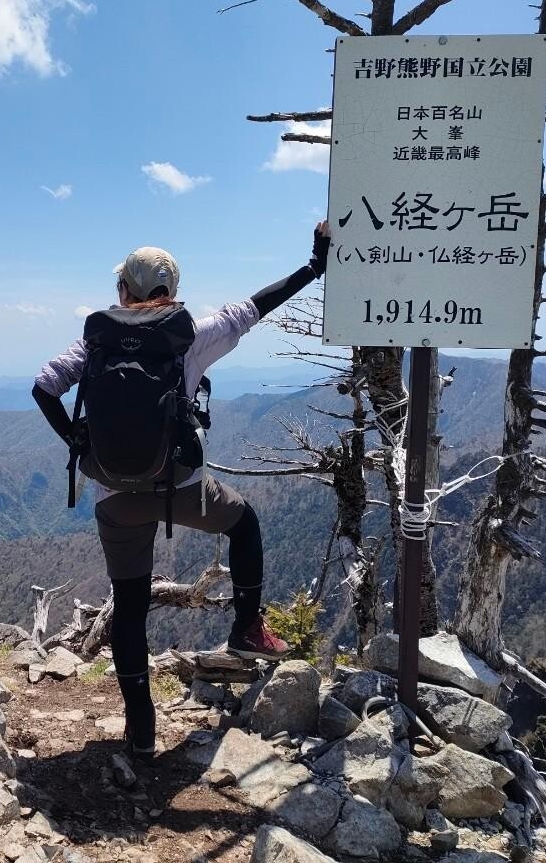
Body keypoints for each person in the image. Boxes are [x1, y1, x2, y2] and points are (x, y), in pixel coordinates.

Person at [31, 220, 331, 756]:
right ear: (171, 292)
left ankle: (141, 729)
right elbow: (254, 308)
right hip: (182, 489)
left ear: (123, 288)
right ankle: (247, 627)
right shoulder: (189, 337)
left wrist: (76, 439)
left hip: (114, 499)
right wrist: (314, 266)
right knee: (244, 523)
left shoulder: (95, 342)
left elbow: (44, 386)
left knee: (129, 607)